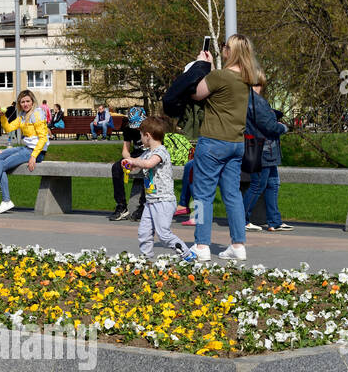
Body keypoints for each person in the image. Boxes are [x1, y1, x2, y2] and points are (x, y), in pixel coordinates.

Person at [187, 33, 278, 262]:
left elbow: (195, 93)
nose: (222, 49)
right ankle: (238, 245)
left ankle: (201, 245)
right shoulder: (247, 80)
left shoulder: (220, 76)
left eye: (224, 46)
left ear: (231, 51)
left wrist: (201, 65)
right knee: (233, 195)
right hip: (236, 144)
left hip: (212, 142)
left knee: (201, 196)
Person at [124, 116, 194, 260]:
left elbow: (149, 164)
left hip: (163, 201)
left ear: (147, 136)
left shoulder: (161, 152)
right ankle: (146, 257)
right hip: (151, 201)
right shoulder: (147, 152)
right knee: (144, 231)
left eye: (141, 135)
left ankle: (187, 254)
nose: (140, 139)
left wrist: (134, 161)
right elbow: (139, 163)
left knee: (163, 234)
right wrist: (129, 164)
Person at [243, 76, 291, 232]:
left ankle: (274, 221)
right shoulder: (256, 101)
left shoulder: (249, 99)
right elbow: (268, 125)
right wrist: (282, 128)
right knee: (258, 185)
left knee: (272, 184)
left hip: (265, 149)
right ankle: (241, 218)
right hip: (263, 149)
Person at [0, 89, 49, 214]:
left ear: (33, 101)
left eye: (28, 101)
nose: (25, 104)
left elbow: (43, 138)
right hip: (26, 148)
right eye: (22, 102)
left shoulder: (37, 114)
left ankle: (0, 194)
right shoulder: (22, 115)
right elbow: (8, 128)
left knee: (1, 166)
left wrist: (34, 156)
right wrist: (2, 116)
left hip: (36, 152)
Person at [110, 106, 146, 222]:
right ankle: (121, 206)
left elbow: (156, 149)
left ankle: (144, 206)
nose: (136, 129)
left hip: (151, 155)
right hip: (135, 155)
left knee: (148, 170)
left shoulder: (151, 128)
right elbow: (125, 150)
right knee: (116, 167)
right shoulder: (128, 129)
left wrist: (139, 162)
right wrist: (129, 159)